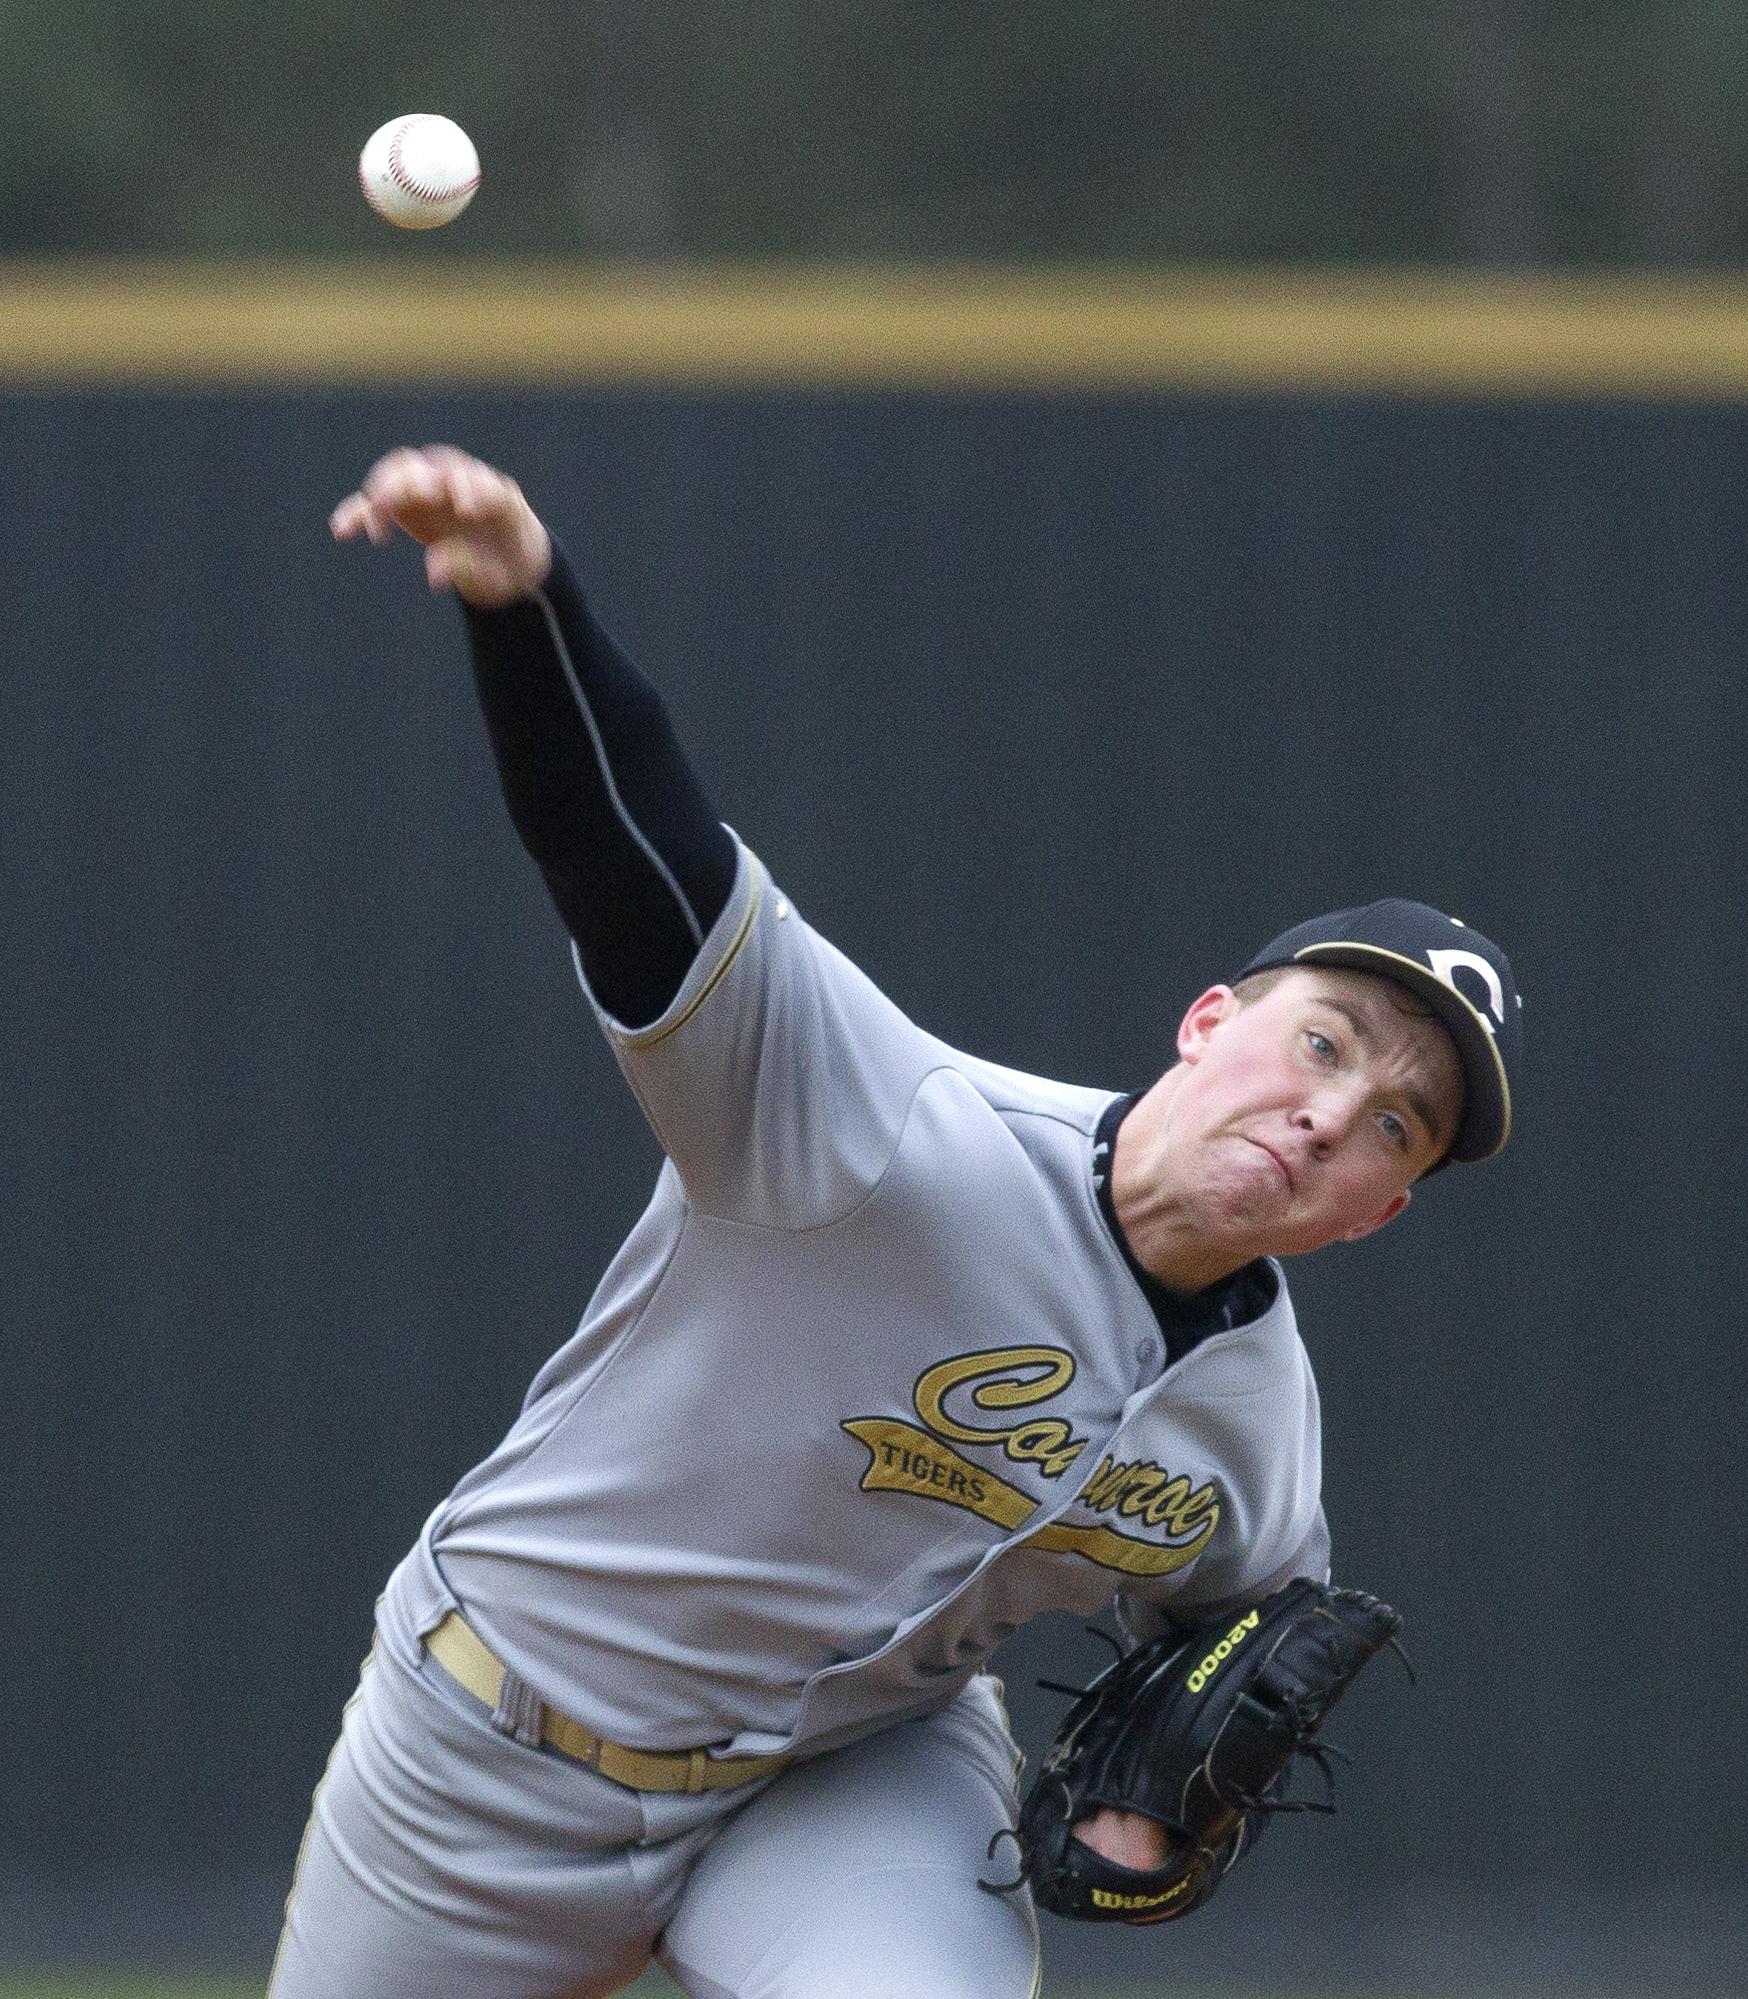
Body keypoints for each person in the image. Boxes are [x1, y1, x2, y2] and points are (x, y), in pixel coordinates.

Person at [270, 443, 1522, 1999]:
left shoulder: (1256, 1433)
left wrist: (1165, 1797)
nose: (1331, 1111)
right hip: (489, 1749)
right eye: (1325, 1042)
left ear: (1376, 1212)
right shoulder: (887, 1127)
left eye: (1393, 1123)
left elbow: (1239, 1643)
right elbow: (640, 866)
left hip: (843, 1786)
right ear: (1209, 1024)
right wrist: (526, 604)